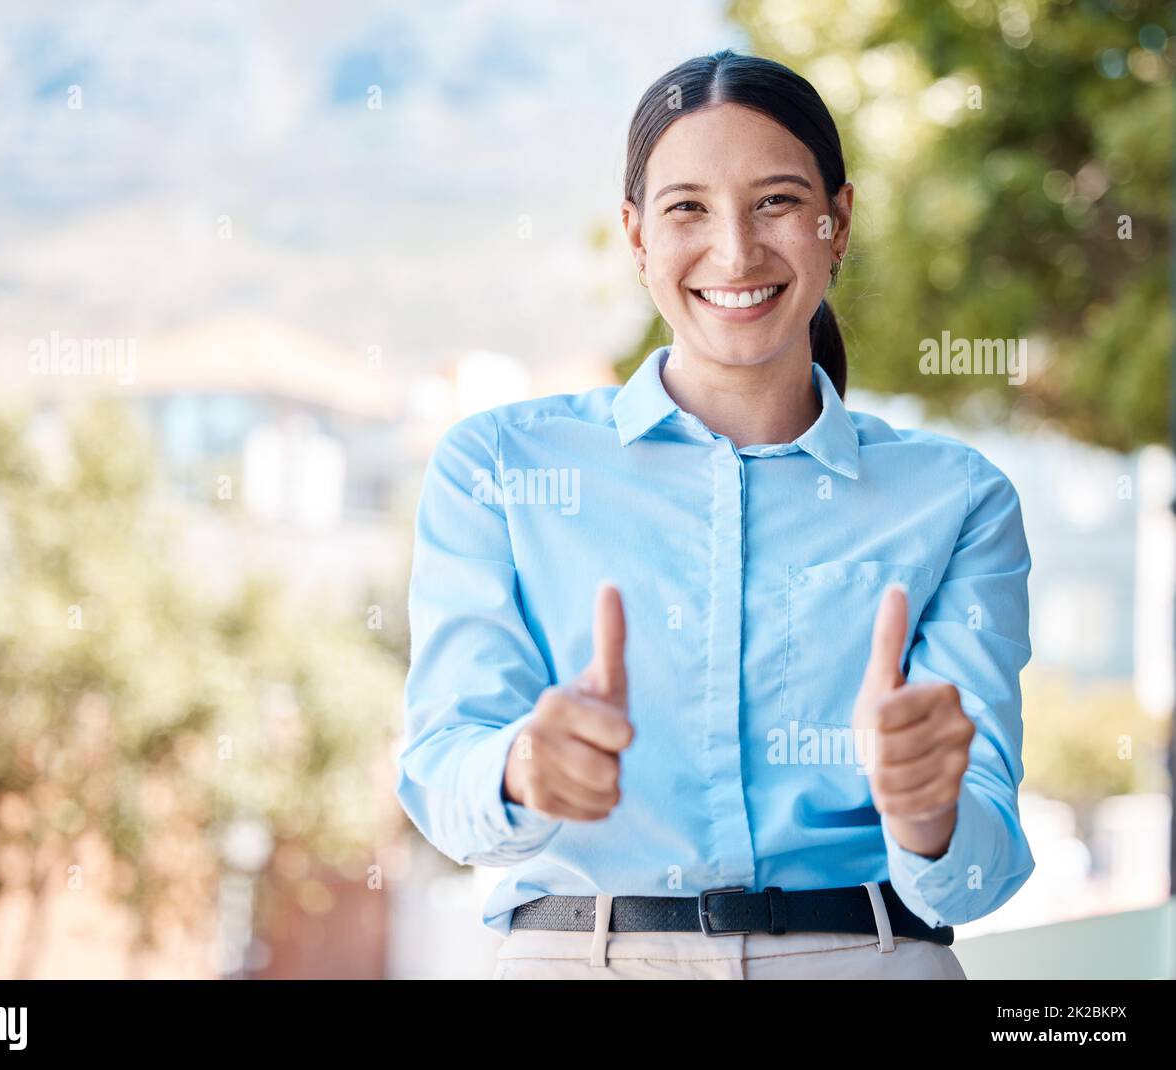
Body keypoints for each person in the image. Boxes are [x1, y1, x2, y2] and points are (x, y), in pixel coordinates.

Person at [395, 50, 1034, 980]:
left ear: (837, 222)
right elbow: (442, 773)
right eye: (687, 207)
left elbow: (979, 870)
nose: (735, 253)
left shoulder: (959, 499)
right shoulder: (496, 468)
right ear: (636, 235)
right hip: (581, 957)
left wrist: (927, 808)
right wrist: (524, 768)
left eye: (776, 200)